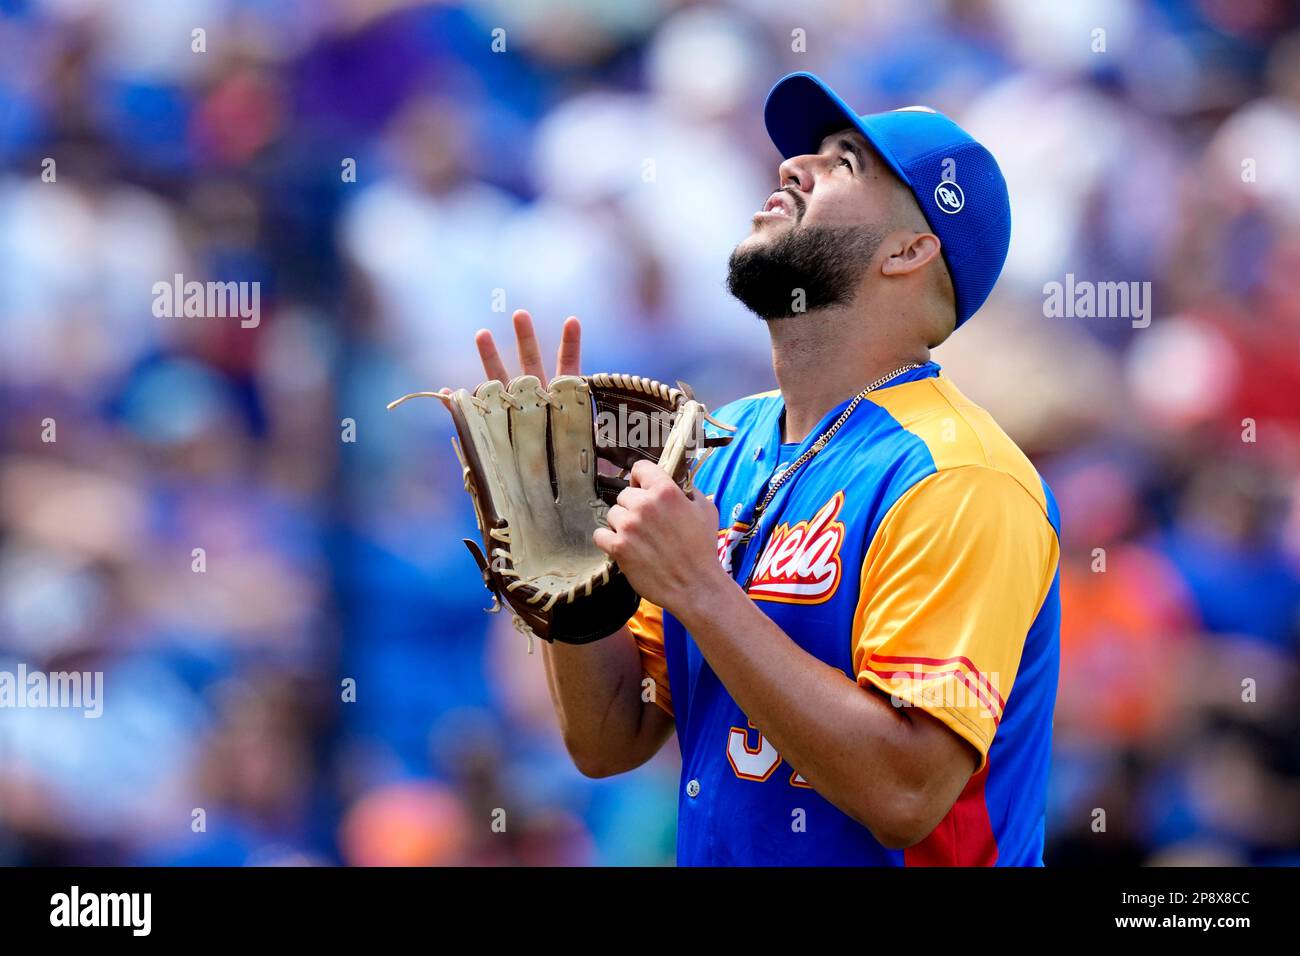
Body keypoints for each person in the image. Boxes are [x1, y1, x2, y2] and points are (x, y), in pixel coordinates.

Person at [471, 72, 1060, 865]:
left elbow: (907, 793)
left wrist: (701, 591)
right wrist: (568, 560)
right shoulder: (723, 440)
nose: (793, 167)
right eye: (806, 153)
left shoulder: (958, 476)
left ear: (913, 249)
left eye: (844, 162)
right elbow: (612, 738)